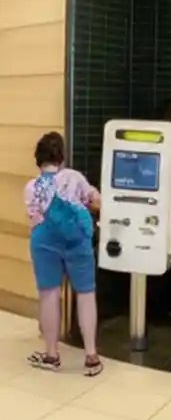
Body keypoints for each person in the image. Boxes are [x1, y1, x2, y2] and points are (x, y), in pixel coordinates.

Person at [23, 132, 104, 376]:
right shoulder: (75, 177)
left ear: (39, 159)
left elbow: (33, 217)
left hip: (45, 242)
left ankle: (51, 355)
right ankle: (91, 356)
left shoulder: (32, 187)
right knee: (86, 293)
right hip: (77, 242)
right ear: (61, 157)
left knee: (49, 294)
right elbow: (96, 200)